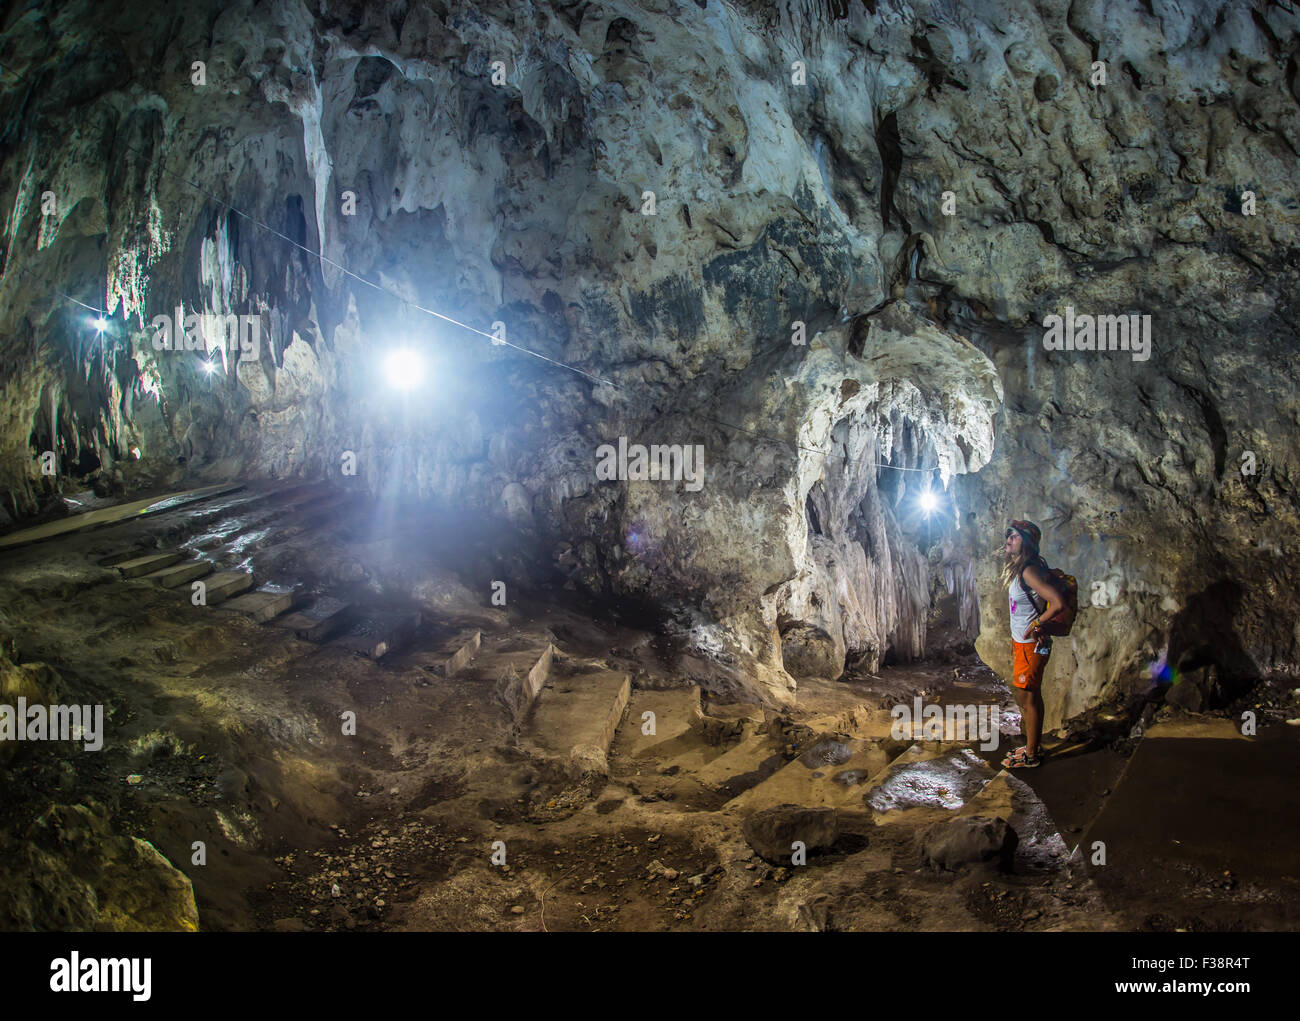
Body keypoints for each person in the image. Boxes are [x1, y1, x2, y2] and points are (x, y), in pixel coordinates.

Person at [1000, 519, 1067, 768]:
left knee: (1028, 699)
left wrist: (1036, 625)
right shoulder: (1021, 569)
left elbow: (1057, 601)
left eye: (1015, 536)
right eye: (1009, 535)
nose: (1009, 540)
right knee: (1029, 697)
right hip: (1023, 644)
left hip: (1031, 646)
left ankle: (1031, 755)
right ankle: (1031, 747)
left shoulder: (1029, 570)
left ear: (1026, 544)